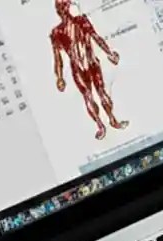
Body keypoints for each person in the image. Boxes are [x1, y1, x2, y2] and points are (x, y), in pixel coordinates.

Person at [51, 0, 129, 140]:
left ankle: (110, 121)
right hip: (81, 66)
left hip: (89, 62)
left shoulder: (79, 22)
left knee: (99, 93)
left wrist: (109, 53)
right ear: (65, 9)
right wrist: (59, 77)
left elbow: (96, 37)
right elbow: (58, 59)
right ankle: (103, 124)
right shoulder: (59, 31)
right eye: (68, 4)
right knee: (90, 95)